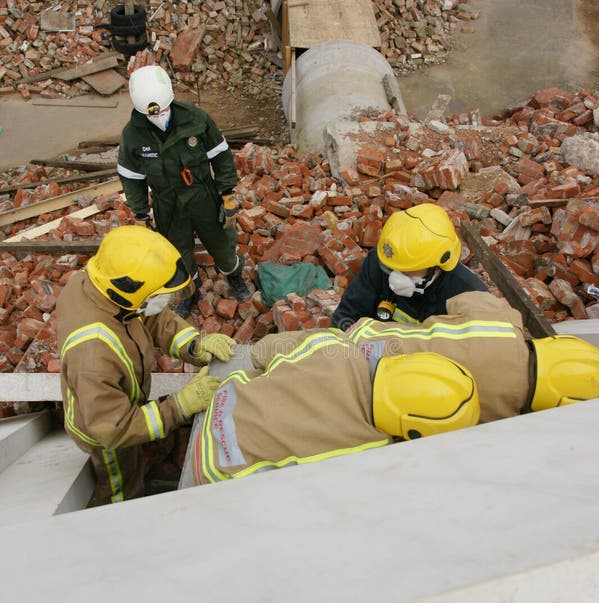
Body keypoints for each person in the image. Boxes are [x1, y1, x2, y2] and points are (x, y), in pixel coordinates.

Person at [56, 225, 237, 507]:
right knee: (120, 485)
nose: (164, 302)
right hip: (105, 427)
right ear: (125, 293)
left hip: (112, 402)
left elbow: (149, 315)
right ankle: (121, 526)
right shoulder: (94, 354)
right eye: (158, 296)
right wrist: (180, 406)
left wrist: (193, 345)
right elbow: (112, 430)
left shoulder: (99, 286)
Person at [252, 291, 599, 425]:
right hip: (382, 402)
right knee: (291, 395)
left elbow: (459, 300)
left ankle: (258, 358)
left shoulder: (501, 320)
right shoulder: (506, 419)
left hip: (368, 341)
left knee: (279, 352)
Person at [190, 328, 480, 484]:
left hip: (218, 399)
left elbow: (262, 351)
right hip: (218, 474)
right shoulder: (370, 450)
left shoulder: (337, 344)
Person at [117, 64, 251, 317]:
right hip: (168, 205)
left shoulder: (195, 118)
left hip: (203, 196)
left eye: (164, 108)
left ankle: (234, 275)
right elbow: (131, 176)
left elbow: (220, 155)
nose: (160, 115)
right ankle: (191, 292)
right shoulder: (133, 135)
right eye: (153, 113)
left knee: (222, 244)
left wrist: (227, 192)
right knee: (178, 253)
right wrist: (141, 214)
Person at [331, 203, 488, 330]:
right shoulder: (380, 262)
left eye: (407, 271)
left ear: (437, 265)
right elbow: (347, 314)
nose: (395, 276)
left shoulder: (467, 295)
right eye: (391, 268)